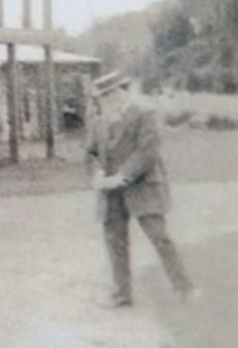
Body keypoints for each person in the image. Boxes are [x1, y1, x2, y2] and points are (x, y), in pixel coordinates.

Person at [84, 74, 195, 307]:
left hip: (143, 186)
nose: (105, 101)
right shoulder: (98, 119)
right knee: (115, 242)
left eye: (108, 95)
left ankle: (185, 288)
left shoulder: (146, 113)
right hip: (110, 192)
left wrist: (122, 177)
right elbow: (91, 153)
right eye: (102, 97)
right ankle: (122, 295)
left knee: (160, 238)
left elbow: (148, 152)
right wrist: (97, 175)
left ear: (120, 92)